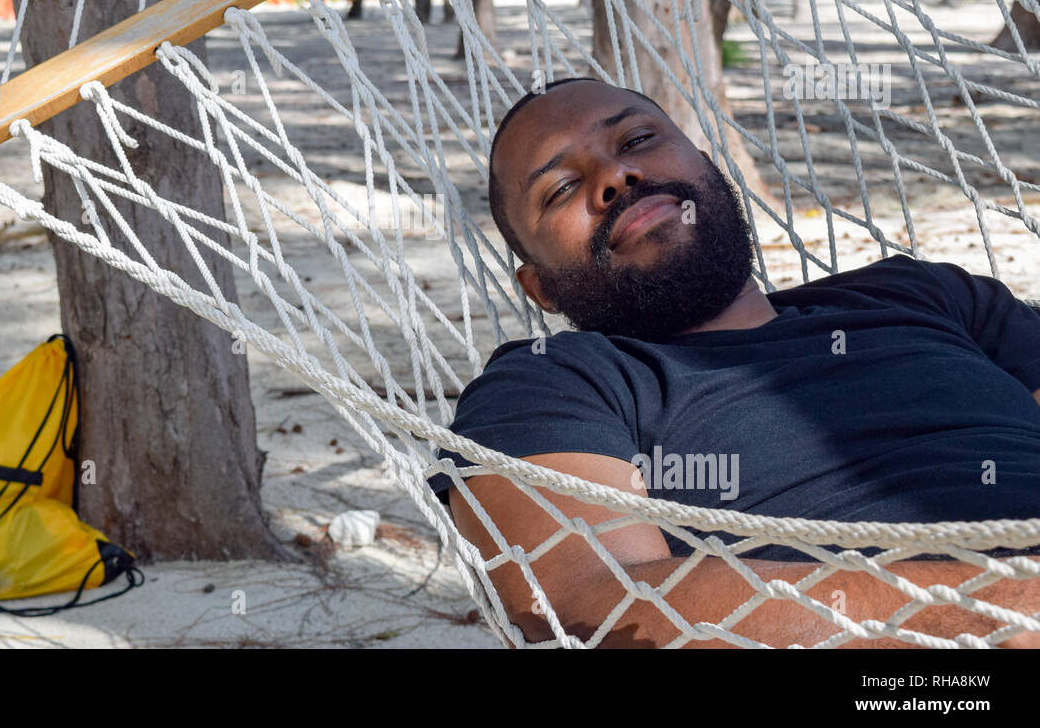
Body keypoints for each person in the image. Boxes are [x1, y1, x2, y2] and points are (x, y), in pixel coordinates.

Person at [428, 77, 1040, 647]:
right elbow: (589, 602)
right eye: (560, 189)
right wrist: (1005, 607)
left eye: (638, 140)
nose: (616, 175)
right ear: (540, 289)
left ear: (710, 168)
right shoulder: (552, 382)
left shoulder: (922, 292)